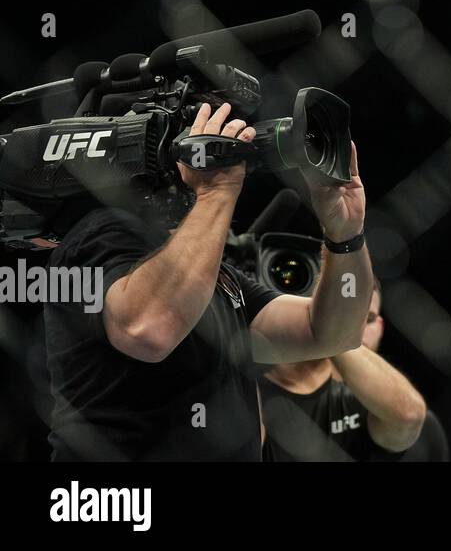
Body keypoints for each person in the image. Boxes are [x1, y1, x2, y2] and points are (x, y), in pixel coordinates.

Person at [43, 100, 372, 460]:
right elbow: (148, 330)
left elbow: (331, 333)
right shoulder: (98, 235)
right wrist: (218, 191)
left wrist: (345, 235)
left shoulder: (215, 274)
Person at [260, 281, 449, 461]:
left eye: (368, 319)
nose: (355, 330)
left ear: (380, 327)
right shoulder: (253, 389)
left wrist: (331, 328)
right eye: (344, 318)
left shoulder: (413, 423)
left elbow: (408, 415)